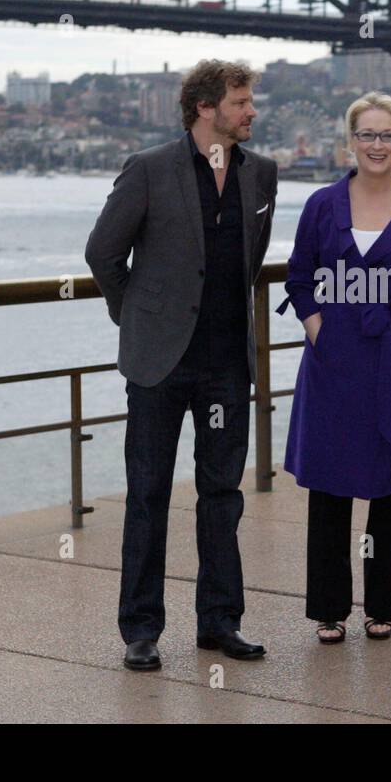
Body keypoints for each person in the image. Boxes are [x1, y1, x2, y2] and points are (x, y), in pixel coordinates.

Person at [84, 60, 278, 670]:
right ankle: (140, 630)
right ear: (205, 107)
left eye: (250, 100)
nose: (251, 111)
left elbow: (249, 261)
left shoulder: (261, 175)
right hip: (159, 366)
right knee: (148, 494)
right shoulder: (148, 169)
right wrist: (137, 316)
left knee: (222, 495)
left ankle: (220, 622)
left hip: (226, 365)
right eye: (241, 101)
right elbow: (103, 253)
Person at [279, 92, 391, 643]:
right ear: (350, 141)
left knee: (388, 488)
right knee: (329, 488)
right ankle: (329, 609)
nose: (376, 146)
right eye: (366, 135)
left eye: (387, 135)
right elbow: (300, 277)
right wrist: (317, 328)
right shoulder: (321, 206)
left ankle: (383, 607)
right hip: (333, 361)